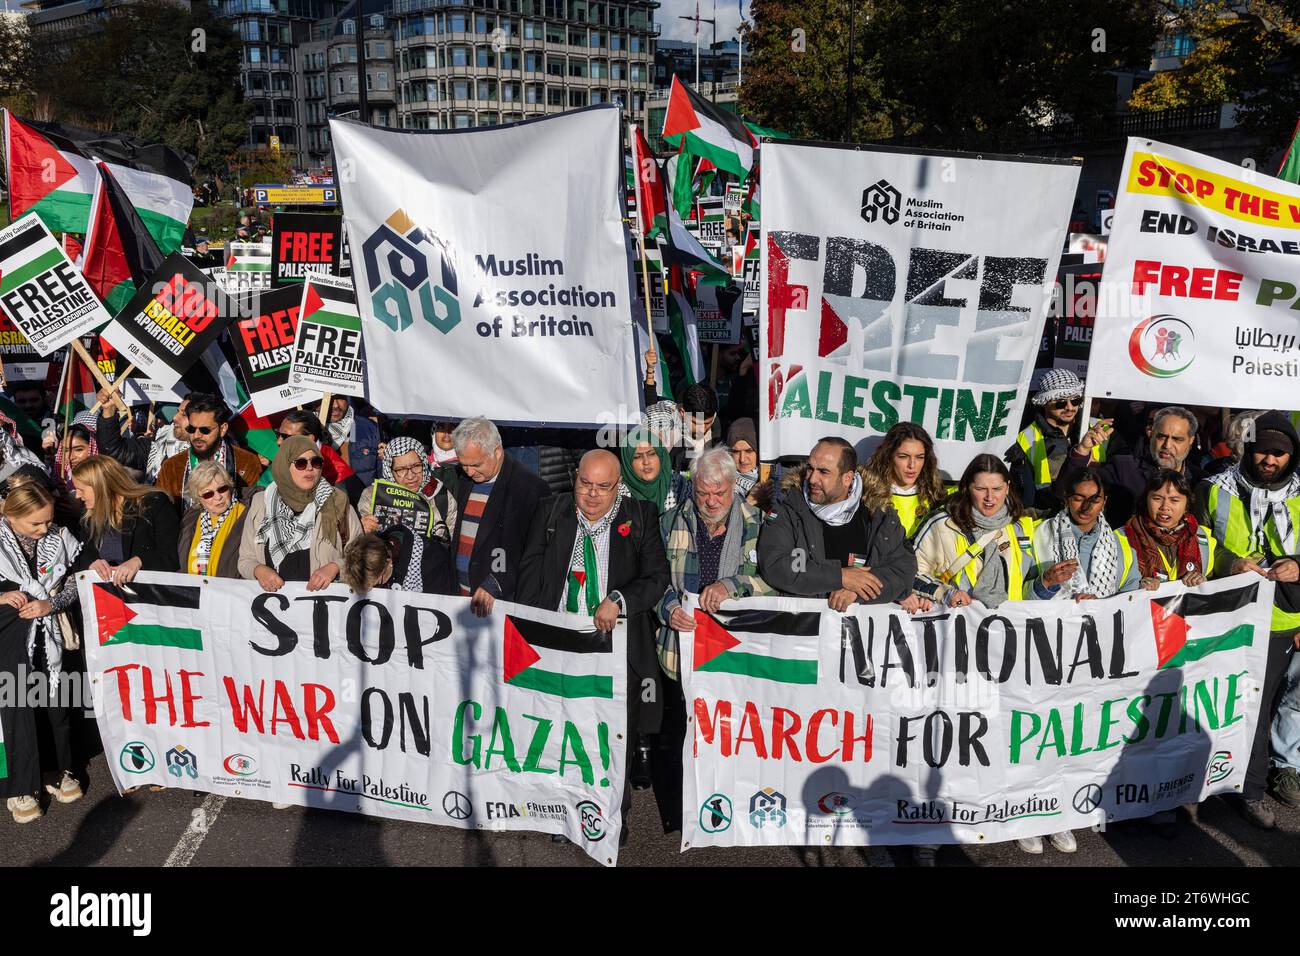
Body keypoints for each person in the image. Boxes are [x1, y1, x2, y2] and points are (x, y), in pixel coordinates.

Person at [516, 449, 670, 839]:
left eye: (603, 487)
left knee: (611, 738)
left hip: (615, 649)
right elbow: (529, 573)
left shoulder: (640, 517)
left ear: (617, 487)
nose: (593, 494)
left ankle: (611, 815)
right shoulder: (552, 511)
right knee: (562, 732)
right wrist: (541, 631)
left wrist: (619, 600)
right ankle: (564, 811)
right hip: (561, 645)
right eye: (586, 484)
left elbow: (656, 578)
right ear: (575, 480)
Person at [1199, 410, 1300, 826]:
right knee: (1220, 704)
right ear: (1250, 450)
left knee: (1262, 709)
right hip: (1228, 614)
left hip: (1281, 620)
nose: (1270, 460)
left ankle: (1252, 789)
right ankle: (1202, 782)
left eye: (1279, 453)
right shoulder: (1213, 488)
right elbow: (1198, 542)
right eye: (1263, 451)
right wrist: (1227, 561)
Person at [0, 482, 84, 823]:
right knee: (15, 707)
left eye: (48, 520)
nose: (44, 529)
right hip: (8, 637)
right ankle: (21, 785)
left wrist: (52, 603)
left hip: (49, 636)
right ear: (11, 515)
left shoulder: (60, 537)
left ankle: (57, 769)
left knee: (54, 704)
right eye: (36, 523)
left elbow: (79, 579)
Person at [758, 437, 916, 610]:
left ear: (847, 478)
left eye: (824, 472)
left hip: (858, 633)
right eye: (810, 468)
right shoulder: (789, 509)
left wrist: (859, 590)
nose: (812, 479)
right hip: (803, 628)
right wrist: (840, 576)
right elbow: (776, 564)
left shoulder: (878, 514)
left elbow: (903, 570)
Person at [655, 447, 771, 680]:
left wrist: (731, 586)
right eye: (702, 493)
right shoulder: (669, 522)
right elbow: (652, 579)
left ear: (733, 483)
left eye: (719, 493)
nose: (710, 501)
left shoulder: (758, 525)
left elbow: (776, 584)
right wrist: (669, 609)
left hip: (738, 653)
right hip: (680, 652)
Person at [238, 436, 362, 592]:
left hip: (322, 605)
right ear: (284, 465)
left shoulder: (338, 502)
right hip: (273, 604)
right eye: (301, 463)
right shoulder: (260, 502)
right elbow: (245, 560)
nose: (310, 468)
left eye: (316, 462)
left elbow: (362, 556)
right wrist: (258, 571)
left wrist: (335, 567)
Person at [450, 417, 548, 613]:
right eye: (464, 465)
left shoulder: (528, 488)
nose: (469, 472)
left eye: (476, 465)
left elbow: (523, 549)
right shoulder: (462, 478)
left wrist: (495, 581)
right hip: (460, 597)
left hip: (498, 602)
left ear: (497, 452)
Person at [913, 455, 1037, 609]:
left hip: (1009, 628)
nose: (990, 497)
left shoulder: (1019, 526)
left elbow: (1025, 589)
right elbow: (909, 574)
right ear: (967, 487)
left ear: (1007, 488)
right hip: (959, 626)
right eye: (980, 489)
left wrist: (1047, 583)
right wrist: (945, 593)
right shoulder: (941, 524)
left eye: (997, 489)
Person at [1060, 405, 1203, 526]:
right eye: (1161, 436)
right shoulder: (1123, 468)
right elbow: (1066, 492)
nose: (1167, 445)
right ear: (1151, 433)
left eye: (1177, 439)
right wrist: (1083, 451)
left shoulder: (1200, 482)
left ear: (1191, 441)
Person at [1028, 466, 1137, 601]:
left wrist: (1101, 605)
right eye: (1079, 499)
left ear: (1104, 502)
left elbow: (1131, 599)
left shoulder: (1123, 545)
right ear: (1066, 498)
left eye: (1095, 501)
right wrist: (1045, 582)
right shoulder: (1037, 535)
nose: (1086, 508)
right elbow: (1016, 594)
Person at [71, 456, 180, 579]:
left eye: (81, 490)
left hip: (145, 593)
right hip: (105, 592)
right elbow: (82, 553)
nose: (77, 496)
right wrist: (91, 562)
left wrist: (140, 561)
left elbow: (172, 554)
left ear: (101, 487)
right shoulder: (90, 515)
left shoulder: (153, 504)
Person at [1006, 369, 1100, 512]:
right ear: (1044, 401)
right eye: (1061, 403)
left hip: (1093, 515)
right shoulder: (1024, 438)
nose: (1069, 407)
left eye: (1075, 400)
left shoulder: (1100, 429)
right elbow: (1024, 496)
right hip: (1047, 518)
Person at [154, 393, 263, 506]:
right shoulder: (171, 467)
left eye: (204, 430)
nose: (196, 436)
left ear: (223, 429)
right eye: (191, 429)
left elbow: (254, 507)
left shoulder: (246, 462)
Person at [1119, 470, 1219, 592]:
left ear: (1187, 505)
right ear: (1146, 500)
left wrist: (1202, 582)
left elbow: (1214, 584)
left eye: (1174, 500)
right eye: (1157, 498)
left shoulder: (1202, 538)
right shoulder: (1122, 538)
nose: (1165, 507)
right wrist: (1138, 587)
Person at [360, 436, 456, 542]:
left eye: (416, 466)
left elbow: (454, 540)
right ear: (389, 471)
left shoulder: (439, 494)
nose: (410, 476)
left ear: (424, 463)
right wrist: (361, 529)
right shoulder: (373, 496)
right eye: (401, 469)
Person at [861, 422, 948, 540]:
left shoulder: (937, 496)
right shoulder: (865, 490)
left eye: (919, 457)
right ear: (888, 455)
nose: (912, 465)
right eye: (903, 456)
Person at [178, 462, 249, 578]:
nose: (218, 497)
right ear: (198, 498)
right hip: (194, 592)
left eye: (222, 489)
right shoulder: (190, 519)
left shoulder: (247, 514)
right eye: (208, 494)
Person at [342, 525, 456, 595]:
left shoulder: (432, 559)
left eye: (378, 583)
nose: (373, 589)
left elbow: (441, 607)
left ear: (388, 562)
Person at [619, 426, 689, 518]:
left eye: (651, 454)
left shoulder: (679, 485)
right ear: (628, 463)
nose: (646, 462)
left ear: (660, 455)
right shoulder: (618, 494)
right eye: (637, 457)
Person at [325, 396, 379, 488]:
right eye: (328, 397)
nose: (336, 405)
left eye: (339, 396)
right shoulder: (308, 433)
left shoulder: (369, 428)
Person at [726, 418, 761, 500]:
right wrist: (751, 501)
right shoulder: (719, 481)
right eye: (736, 452)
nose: (742, 459)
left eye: (749, 451)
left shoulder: (776, 480)